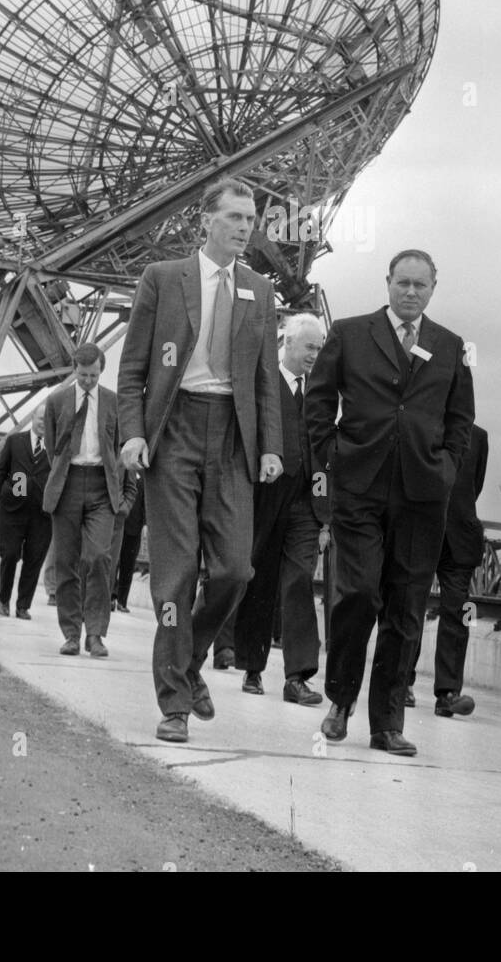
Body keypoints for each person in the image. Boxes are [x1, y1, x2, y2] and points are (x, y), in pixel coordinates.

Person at [117, 178, 283, 744]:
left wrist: (270, 448)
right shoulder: (163, 280)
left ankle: (189, 663)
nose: (245, 228)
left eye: (250, 219)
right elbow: (133, 368)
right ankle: (174, 705)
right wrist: (132, 435)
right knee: (176, 575)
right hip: (176, 433)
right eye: (234, 217)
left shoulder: (260, 292)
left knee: (235, 569)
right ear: (206, 220)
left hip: (233, 439)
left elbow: (265, 379)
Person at [307, 250, 474, 756]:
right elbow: (318, 400)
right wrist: (333, 454)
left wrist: (444, 468)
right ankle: (340, 701)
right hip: (360, 485)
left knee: (405, 609)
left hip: (422, 495)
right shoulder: (352, 334)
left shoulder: (449, 346)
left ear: (433, 288)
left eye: (420, 285)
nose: (410, 293)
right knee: (357, 594)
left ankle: (387, 723)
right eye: (402, 283)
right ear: (388, 283)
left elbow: (461, 419)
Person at [235, 313, 329, 705]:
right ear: (287, 343)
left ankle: (297, 676)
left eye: (320, 349)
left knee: (299, 581)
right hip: (266, 493)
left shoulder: (322, 391)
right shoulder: (264, 384)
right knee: (258, 576)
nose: (315, 355)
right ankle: (252, 666)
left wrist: (327, 513)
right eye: (310, 347)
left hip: (306, 501)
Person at [41, 345, 127, 656]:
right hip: (68, 484)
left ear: (101, 371)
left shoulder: (114, 402)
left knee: (98, 558)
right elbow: (52, 446)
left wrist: (115, 482)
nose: (88, 380)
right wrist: (64, 473)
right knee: (66, 562)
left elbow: (119, 446)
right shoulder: (56, 401)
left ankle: (96, 635)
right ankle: (71, 634)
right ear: (74, 371)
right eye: (82, 375)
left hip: (102, 488)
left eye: (93, 375)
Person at [408, 423, 488, 716]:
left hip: (460, 539)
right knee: (409, 609)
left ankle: (448, 693)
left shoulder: (479, 437)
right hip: (419, 532)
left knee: (460, 613)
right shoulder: (419, 427)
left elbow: (473, 486)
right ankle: (402, 681)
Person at [0, 403, 53, 620]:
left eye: (47, 419)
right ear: (33, 419)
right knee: (9, 555)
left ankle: (23, 606)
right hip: (13, 511)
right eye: (40, 418)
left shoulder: (56, 447)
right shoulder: (14, 441)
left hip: (42, 515)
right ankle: (4, 600)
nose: (43, 423)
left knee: (34, 560)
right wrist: (6, 496)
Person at [110, 473, 146, 613]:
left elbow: (146, 503)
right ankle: (110, 597)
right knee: (114, 562)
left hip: (135, 527)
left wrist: (145, 524)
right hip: (119, 524)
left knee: (128, 565)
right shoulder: (123, 471)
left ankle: (122, 601)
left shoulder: (143, 477)